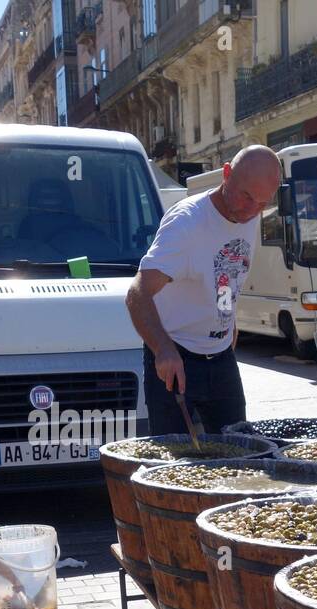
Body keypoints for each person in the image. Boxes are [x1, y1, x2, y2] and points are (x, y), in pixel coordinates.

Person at [127, 145, 282, 435]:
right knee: (175, 464)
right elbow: (137, 293)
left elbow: (224, 272)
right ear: (226, 174)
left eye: (262, 203)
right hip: (176, 356)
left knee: (240, 453)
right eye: (246, 196)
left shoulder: (250, 214)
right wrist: (163, 349)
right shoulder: (186, 224)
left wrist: (226, 319)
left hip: (221, 356)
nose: (251, 212)